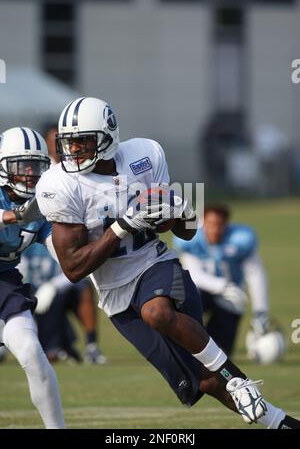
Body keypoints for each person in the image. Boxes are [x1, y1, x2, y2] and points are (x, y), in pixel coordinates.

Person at [35, 97, 299, 429]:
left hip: (154, 263)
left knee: (157, 312)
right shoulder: (59, 184)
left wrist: (178, 210)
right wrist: (124, 225)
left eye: (83, 141)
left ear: (107, 136)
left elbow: (187, 231)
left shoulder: (142, 156)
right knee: (206, 382)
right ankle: (283, 423)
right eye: (69, 142)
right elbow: (73, 269)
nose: (73, 150)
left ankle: (238, 377)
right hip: (115, 297)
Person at [0, 126, 65, 428]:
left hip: (5, 282)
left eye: (35, 166)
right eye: (20, 165)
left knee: (30, 350)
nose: (28, 174)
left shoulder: (40, 205)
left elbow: (64, 255)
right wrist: (11, 216)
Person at [173, 203, 271, 357]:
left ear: (226, 225)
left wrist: (261, 311)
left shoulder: (241, 240)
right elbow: (194, 275)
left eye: (219, 225)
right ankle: (180, 348)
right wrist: (224, 286)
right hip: (201, 291)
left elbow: (255, 275)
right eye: (211, 224)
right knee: (184, 302)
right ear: (203, 223)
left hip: (230, 296)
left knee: (221, 354)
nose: (215, 229)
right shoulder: (192, 239)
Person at [19, 241, 107, 364]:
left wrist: (53, 286)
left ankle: (91, 346)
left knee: (83, 287)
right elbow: (18, 270)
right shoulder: (24, 237)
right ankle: (59, 347)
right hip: (32, 294)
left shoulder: (59, 234)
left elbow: (78, 269)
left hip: (61, 289)